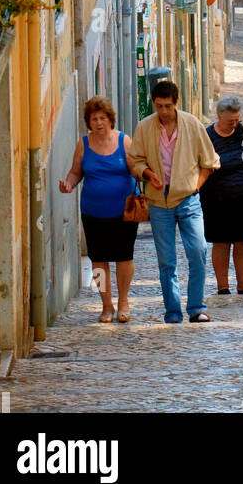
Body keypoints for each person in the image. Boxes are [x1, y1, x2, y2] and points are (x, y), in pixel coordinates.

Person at [129, 79, 220, 324]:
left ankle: (197, 307)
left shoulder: (192, 125)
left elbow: (210, 162)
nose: (163, 111)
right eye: (158, 106)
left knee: (198, 251)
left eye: (167, 106)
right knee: (166, 260)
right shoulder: (144, 127)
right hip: (158, 202)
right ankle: (172, 311)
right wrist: (148, 174)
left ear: (176, 103)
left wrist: (194, 187)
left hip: (188, 200)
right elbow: (135, 161)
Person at [59, 97, 138, 324]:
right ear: (89, 122)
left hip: (124, 211)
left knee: (124, 257)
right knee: (98, 260)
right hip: (93, 212)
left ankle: (123, 301)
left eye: (103, 118)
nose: (99, 122)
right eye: (94, 119)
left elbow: (135, 169)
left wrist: (148, 176)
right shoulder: (83, 144)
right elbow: (76, 172)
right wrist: (68, 184)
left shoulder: (124, 141)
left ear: (110, 119)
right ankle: (106, 305)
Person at [201, 95, 243, 296]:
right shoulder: (207, 136)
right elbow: (206, 165)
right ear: (219, 116)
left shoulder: (240, 130)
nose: (234, 124)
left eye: (237, 120)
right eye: (230, 121)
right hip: (218, 198)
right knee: (221, 241)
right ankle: (223, 286)